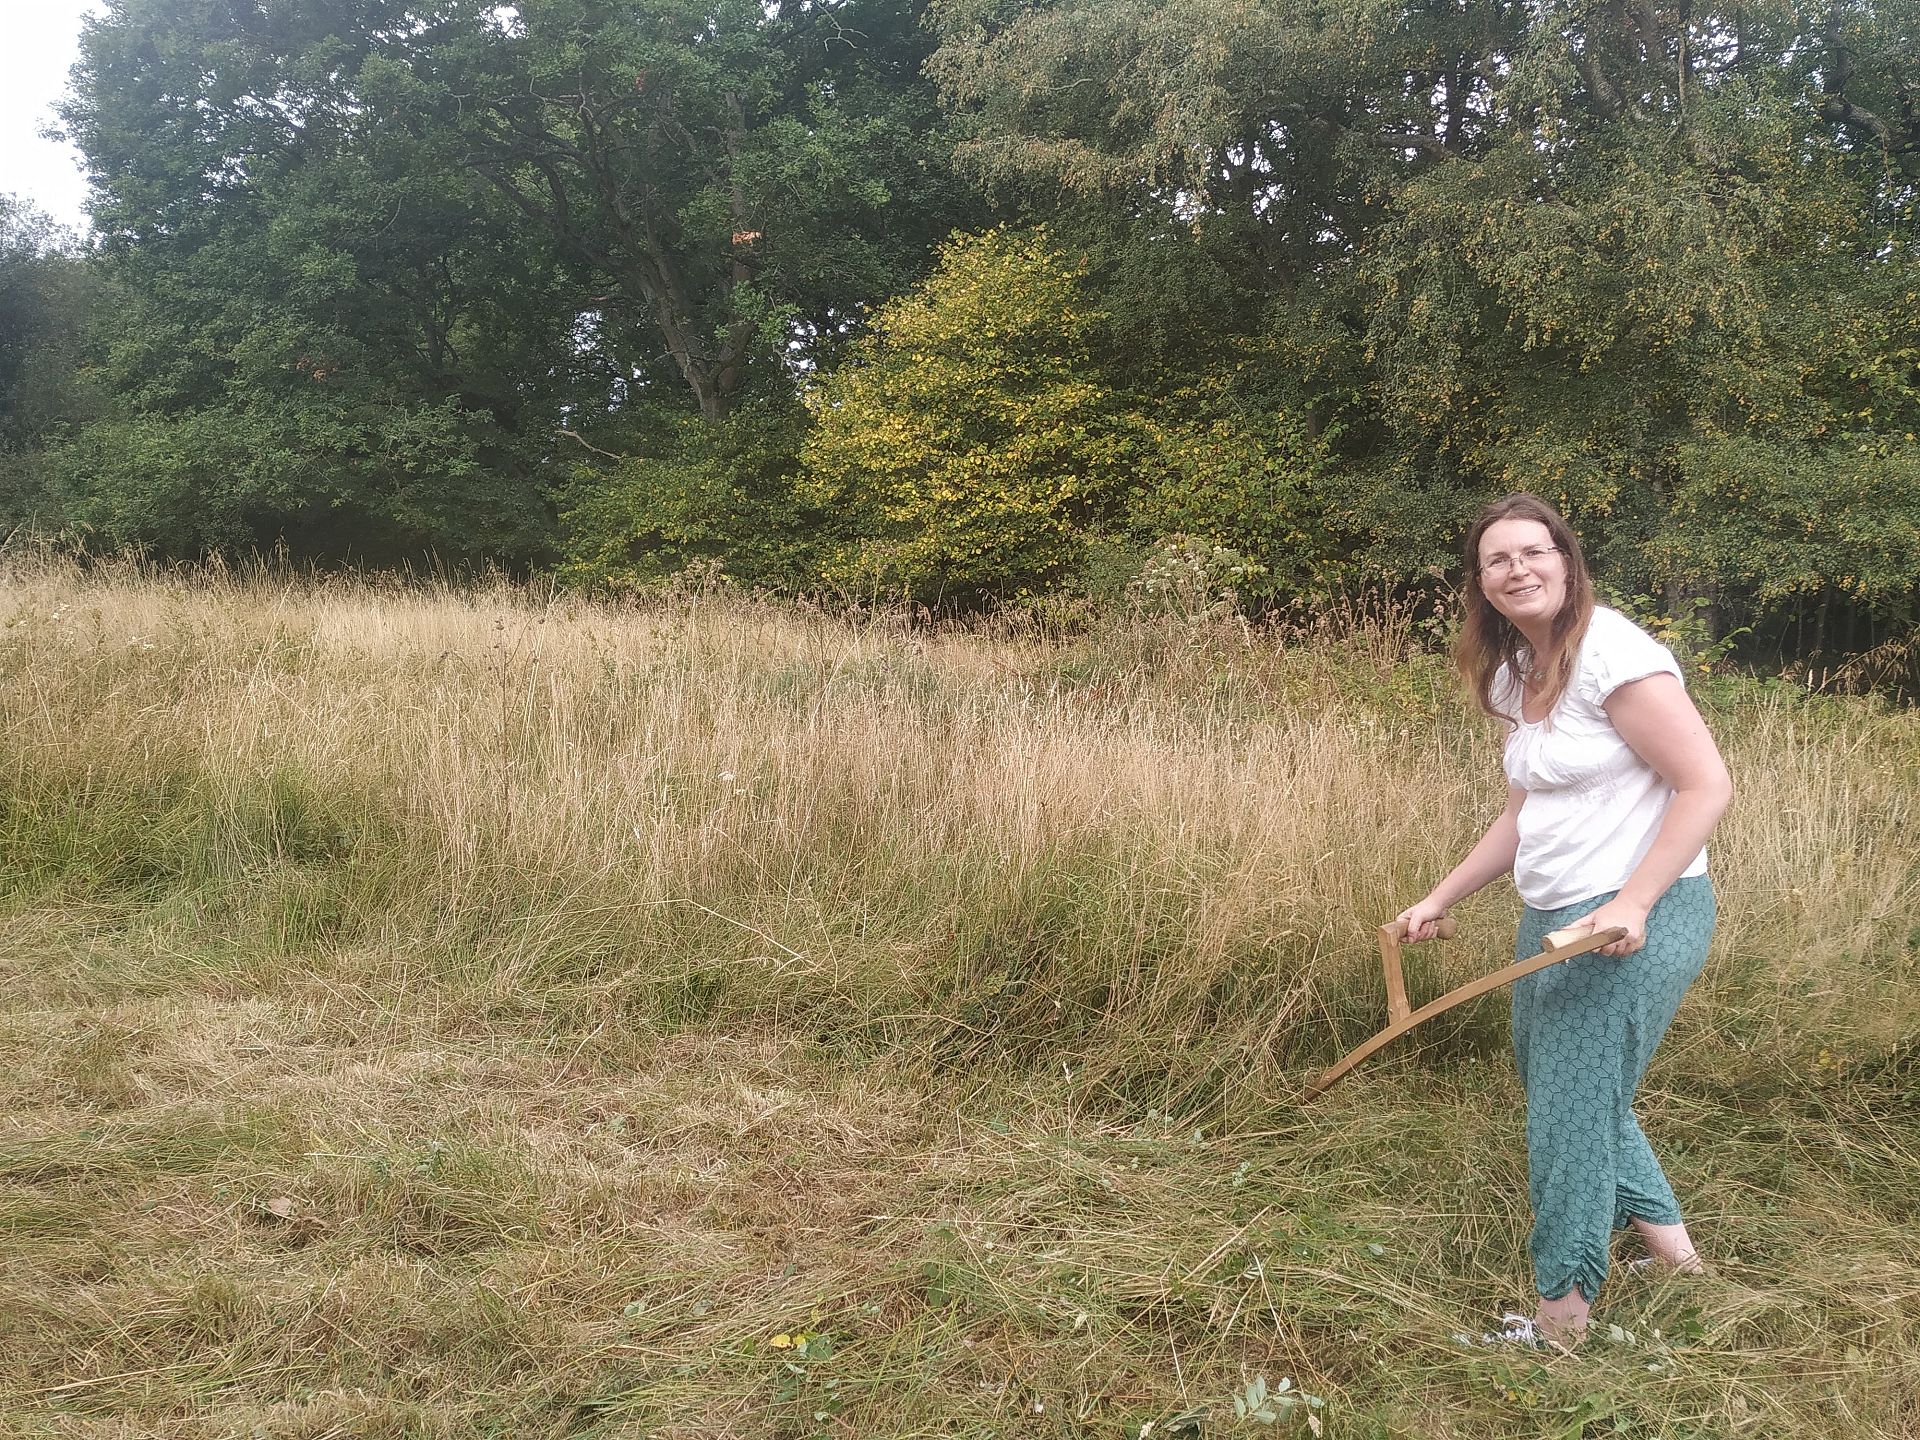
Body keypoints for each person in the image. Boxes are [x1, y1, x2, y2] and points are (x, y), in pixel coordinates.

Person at [1396, 492, 1732, 1348]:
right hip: (1552, 915)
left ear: (1566, 560)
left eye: (1534, 552)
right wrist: (1440, 895)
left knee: (1569, 1115)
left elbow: (1706, 786)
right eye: (1498, 561)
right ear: (1482, 585)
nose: (1519, 570)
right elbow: (1521, 816)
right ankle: (1678, 1262)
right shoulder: (1519, 671)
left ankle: (1561, 1325)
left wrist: (1635, 902)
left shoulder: (1614, 654)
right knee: (1575, 1093)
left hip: (1630, 919)